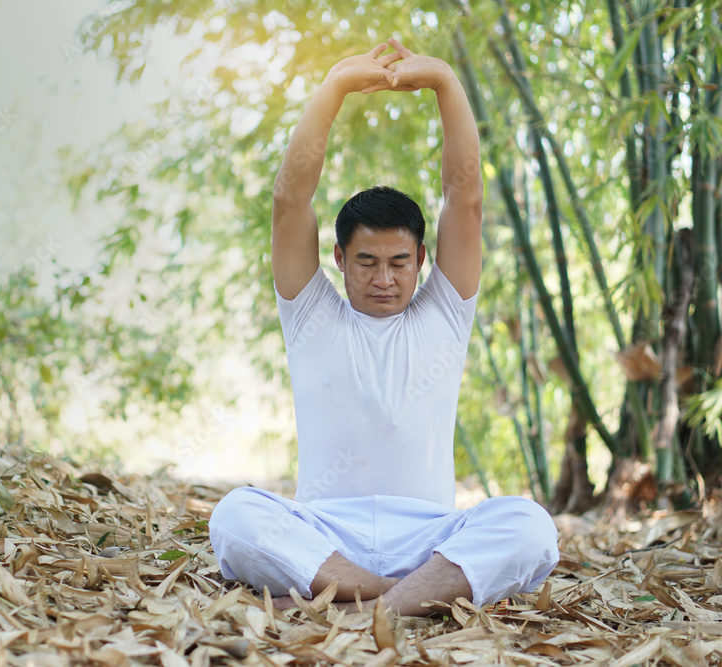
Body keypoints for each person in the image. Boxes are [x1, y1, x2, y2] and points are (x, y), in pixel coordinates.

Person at [208, 38, 559, 615]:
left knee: (531, 526)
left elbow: (464, 197)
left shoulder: (443, 311)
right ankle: (393, 600)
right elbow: (290, 198)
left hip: (432, 543)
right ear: (340, 261)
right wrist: (336, 85)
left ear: (422, 261)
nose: (384, 279)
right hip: (325, 537)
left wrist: (446, 79)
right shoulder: (311, 311)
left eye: (399, 263)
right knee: (234, 516)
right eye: (367, 262)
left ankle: (378, 601)